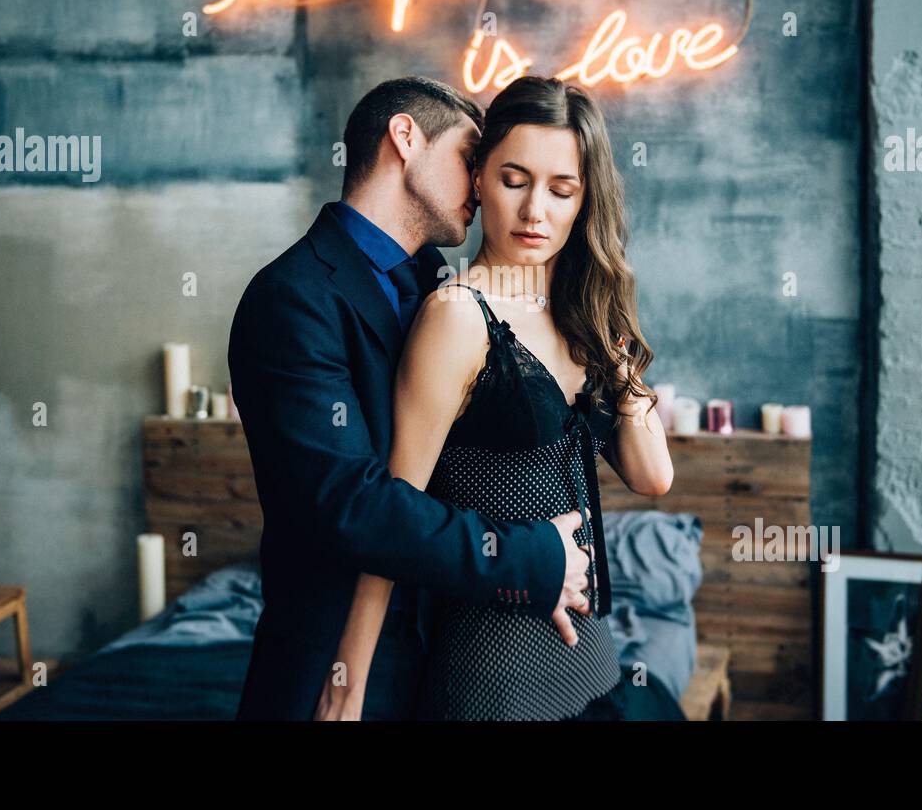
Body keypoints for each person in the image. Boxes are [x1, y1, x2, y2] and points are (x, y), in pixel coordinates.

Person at [228, 76, 596, 721]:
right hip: (331, 664)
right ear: (405, 138)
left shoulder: (437, 282)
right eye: (468, 156)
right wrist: (534, 555)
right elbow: (350, 503)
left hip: (451, 654)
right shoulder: (292, 298)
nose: (482, 184)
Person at [319, 75, 675, 720]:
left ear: (584, 202)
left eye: (562, 190)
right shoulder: (456, 317)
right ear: (478, 179)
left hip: (593, 667)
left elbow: (653, 476)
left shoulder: (582, 317)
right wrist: (347, 685)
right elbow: (393, 515)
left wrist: (610, 336)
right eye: (515, 180)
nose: (536, 210)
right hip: (494, 678)